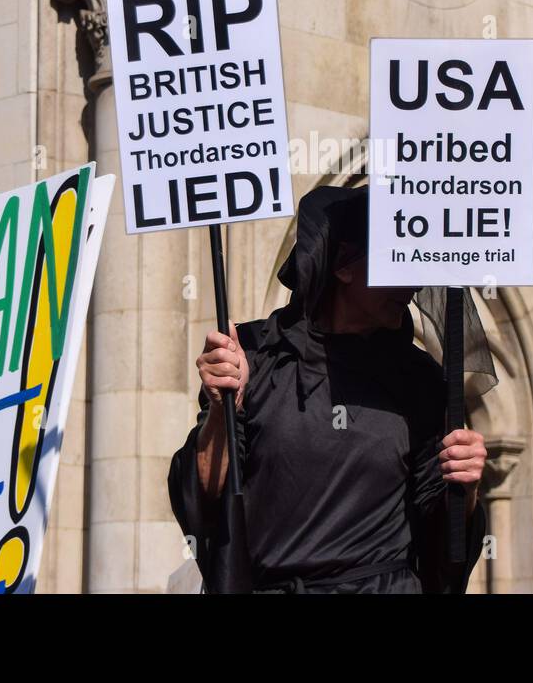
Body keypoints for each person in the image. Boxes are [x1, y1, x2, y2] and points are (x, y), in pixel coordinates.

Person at [169, 185, 489, 593]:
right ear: (343, 265)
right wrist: (222, 408)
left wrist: (466, 483)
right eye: (397, 260)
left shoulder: (420, 379)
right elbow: (207, 499)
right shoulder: (253, 354)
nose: (413, 283)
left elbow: (443, 543)